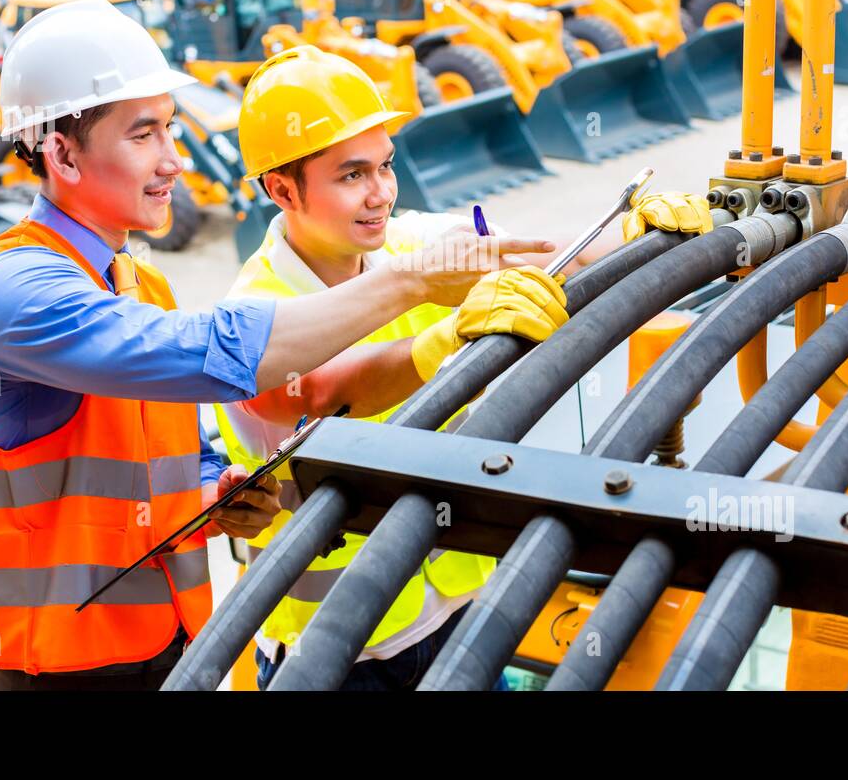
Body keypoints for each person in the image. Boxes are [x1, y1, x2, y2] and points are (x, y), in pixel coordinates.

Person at [0, 1, 558, 690]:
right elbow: (205, 352)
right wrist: (415, 287)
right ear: (60, 153)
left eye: (170, 129)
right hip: (63, 675)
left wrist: (213, 493)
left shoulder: (139, 281)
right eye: (143, 135)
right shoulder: (15, 289)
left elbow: (157, 458)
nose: (173, 161)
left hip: (172, 654)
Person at [217, 45, 712, 690]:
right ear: (283, 190)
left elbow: (540, 257)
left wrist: (639, 239)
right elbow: (322, 390)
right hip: (340, 658)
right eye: (352, 175)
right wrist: (447, 338)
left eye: (387, 166)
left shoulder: (410, 243)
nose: (381, 194)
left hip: (456, 619)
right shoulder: (251, 313)